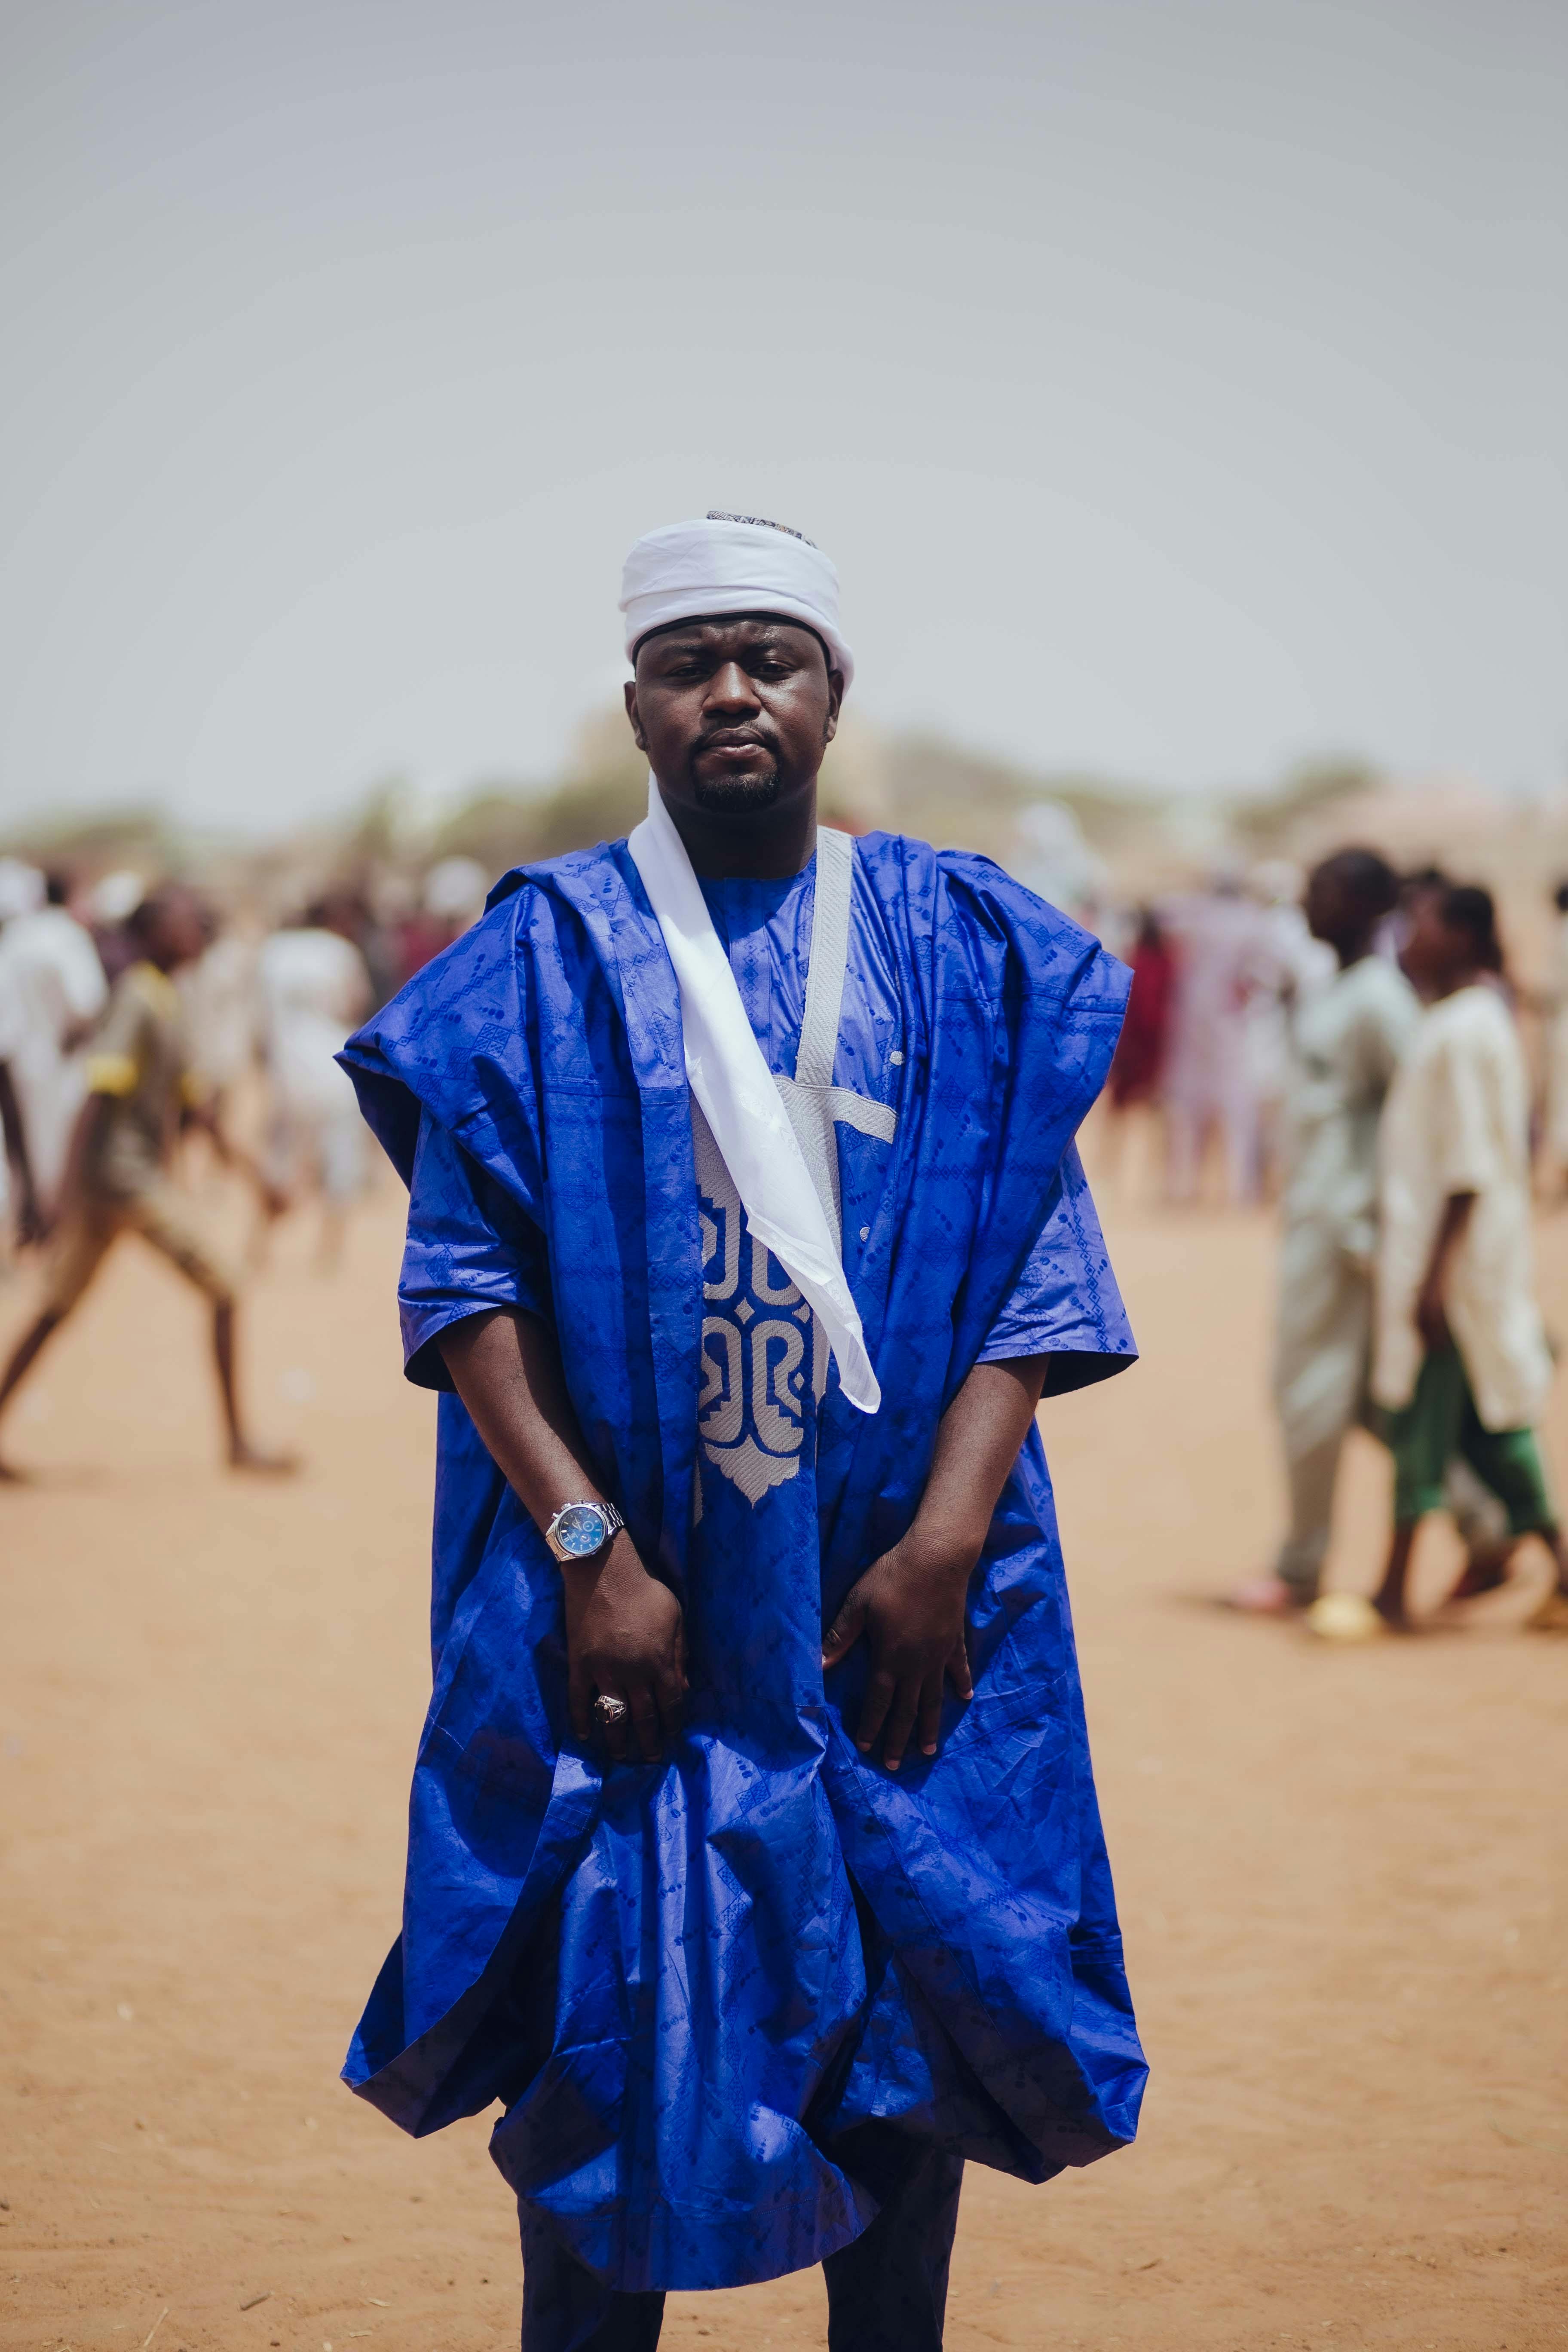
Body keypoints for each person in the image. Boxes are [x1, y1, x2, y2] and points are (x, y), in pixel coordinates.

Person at [337, 514, 1146, 2349]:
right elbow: (463, 1280)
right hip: (634, 1607)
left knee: (903, 2033)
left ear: (832, 690)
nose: (730, 689)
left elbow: (1033, 1258)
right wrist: (584, 1550)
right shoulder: (548, 950)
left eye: (768, 654)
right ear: (631, 701)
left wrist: (947, 1537)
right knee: (601, 2033)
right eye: (689, 657)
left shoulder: (959, 946)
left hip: (891, 1601)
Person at [0, 885, 291, 1479]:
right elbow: (96, 1092)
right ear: (153, 932)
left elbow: (197, 1110)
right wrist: (56, 1190)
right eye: (182, 923)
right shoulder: (137, 997)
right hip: (124, 1179)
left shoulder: (166, 999)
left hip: (112, 1184)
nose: (195, 932)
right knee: (226, 1285)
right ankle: (238, 1444)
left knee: (55, 1309)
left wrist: (254, 1173)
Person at [1369, 885, 1568, 1632]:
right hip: (1456, 1265)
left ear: (1458, 935)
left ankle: (1391, 1590)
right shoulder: (1469, 1020)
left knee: (1425, 1419)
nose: (1406, 938)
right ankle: (1557, 1560)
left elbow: (1466, 1170)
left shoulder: (1460, 1030)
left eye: (1418, 924)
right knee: (1489, 1426)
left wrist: (1433, 1282)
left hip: (1449, 1270)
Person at [1229, 851, 1417, 1614]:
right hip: (1317, 1216)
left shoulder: (1379, 1000)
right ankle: (1486, 1520)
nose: (1306, 899)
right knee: (1377, 1399)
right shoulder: (1331, 989)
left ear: (1365, 906)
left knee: (1306, 1391)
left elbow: (1417, 1112)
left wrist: (1379, 1219)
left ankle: (1300, 1565)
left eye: (1322, 890)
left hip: (1345, 1231)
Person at [257, 891, 373, 1269]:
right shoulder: (339, 951)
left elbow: (258, 1017)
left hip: (285, 1074)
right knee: (339, 1166)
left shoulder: (271, 952)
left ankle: (260, 1250)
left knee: (281, 1163)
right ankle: (328, 1255)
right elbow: (358, 1004)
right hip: (334, 1072)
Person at [0, 873, 109, 1240]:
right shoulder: (68, 936)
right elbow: (88, 1002)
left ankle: (33, 1223)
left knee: (26, 1147)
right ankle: (58, 1226)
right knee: (64, 1146)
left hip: (21, 1061)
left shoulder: (15, 938)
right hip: (64, 1060)